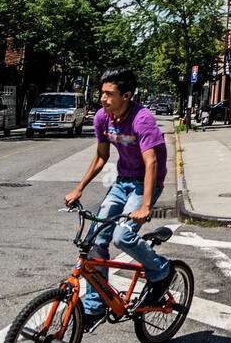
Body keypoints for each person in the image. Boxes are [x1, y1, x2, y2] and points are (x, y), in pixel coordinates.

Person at [64, 67, 171, 329]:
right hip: (122, 182)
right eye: (102, 93)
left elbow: (151, 163)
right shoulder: (103, 117)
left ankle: (161, 271)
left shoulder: (142, 119)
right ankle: (95, 306)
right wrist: (79, 188)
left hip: (145, 182)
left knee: (122, 237)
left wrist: (145, 205)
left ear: (126, 95)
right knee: (95, 239)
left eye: (109, 94)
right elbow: (101, 157)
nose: (103, 99)